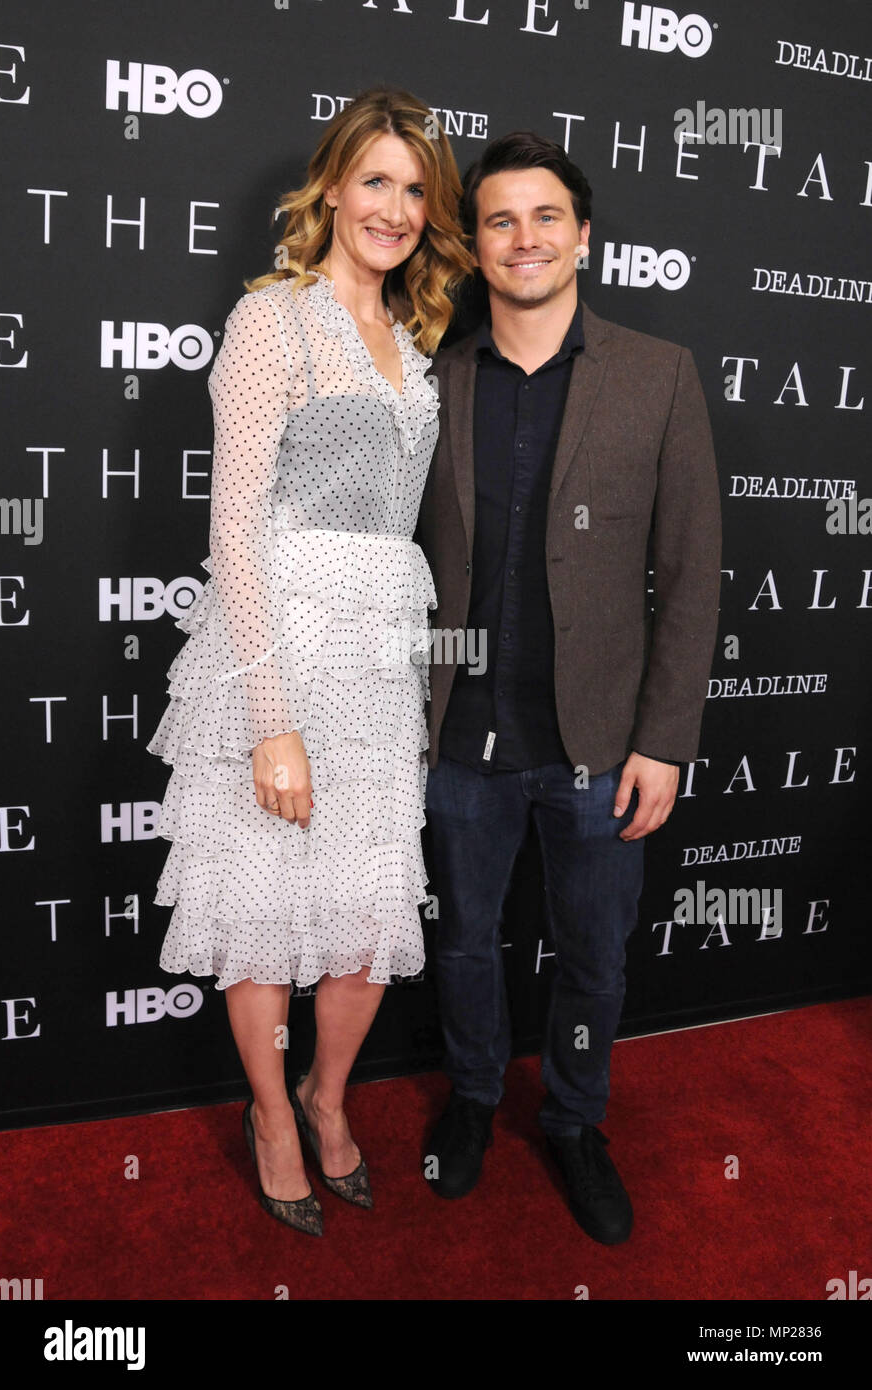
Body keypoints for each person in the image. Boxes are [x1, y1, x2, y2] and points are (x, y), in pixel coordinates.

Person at [147, 86, 474, 1236]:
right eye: (372, 180)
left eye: (414, 189)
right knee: (264, 901)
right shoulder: (272, 321)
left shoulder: (418, 334)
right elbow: (233, 526)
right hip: (277, 637)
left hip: (382, 652)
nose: (391, 207)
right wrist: (269, 718)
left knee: (367, 902)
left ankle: (325, 1096)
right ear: (332, 187)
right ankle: (270, 1116)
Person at [414, 132, 722, 1244]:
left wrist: (664, 739)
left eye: (545, 217)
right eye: (499, 219)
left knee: (591, 954)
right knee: (462, 940)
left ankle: (576, 1121)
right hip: (460, 740)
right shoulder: (431, 375)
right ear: (475, 244)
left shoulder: (657, 374)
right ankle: (476, 1097)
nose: (524, 237)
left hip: (602, 747)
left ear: (583, 235)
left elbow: (690, 571)